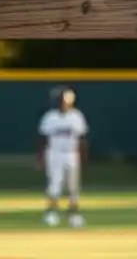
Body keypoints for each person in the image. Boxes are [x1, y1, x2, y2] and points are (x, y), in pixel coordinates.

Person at [37, 85, 88, 228]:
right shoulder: (50, 117)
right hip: (54, 154)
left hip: (71, 154)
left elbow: (82, 139)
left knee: (73, 186)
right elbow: (42, 138)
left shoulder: (76, 117)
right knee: (54, 184)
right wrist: (40, 157)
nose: (63, 102)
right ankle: (51, 213)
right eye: (61, 99)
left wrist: (83, 158)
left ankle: (74, 214)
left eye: (65, 100)